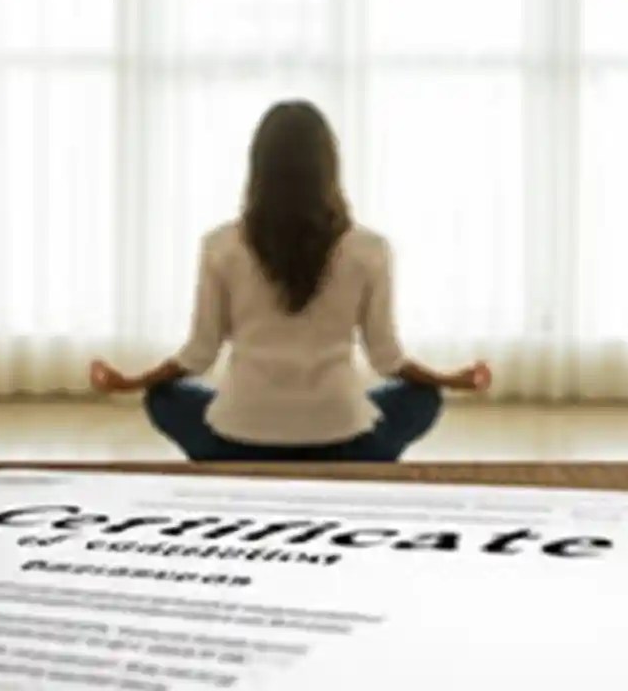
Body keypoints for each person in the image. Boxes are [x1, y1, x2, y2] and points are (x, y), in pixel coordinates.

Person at [90, 99, 491, 462]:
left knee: (166, 397)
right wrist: (451, 380)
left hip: (236, 439)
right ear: (330, 167)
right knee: (422, 398)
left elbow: (199, 353)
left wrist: (132, 383)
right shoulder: (370, 249)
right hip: (346, 440)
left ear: (258, 167)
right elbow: (387, 359)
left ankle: (240, 464)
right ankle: (347, 465)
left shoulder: (220, 246)